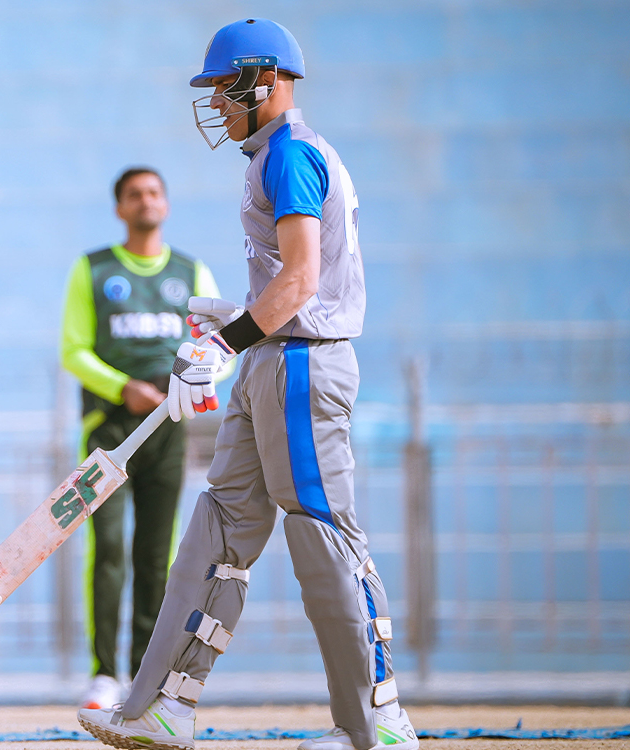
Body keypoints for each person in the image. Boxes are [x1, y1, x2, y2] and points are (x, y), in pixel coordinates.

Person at [77, 18, 419, 750]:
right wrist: (238, 322)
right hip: (276, 357)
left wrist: (229, 342)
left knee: (323, 534)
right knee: (222, 524)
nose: (218, 107)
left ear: (260, 80)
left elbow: (300, 279)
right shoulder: (273, 156)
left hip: (301, 362)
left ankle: (376, 724)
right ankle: (164, 705)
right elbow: (291, 281)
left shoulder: (291, 155)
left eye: (223, 92)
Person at [60, 167, 229, 710]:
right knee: (107, 547)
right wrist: (122, 387)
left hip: (166, 430)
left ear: (166, 204)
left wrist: (195, 382)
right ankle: (104, 672)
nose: (146, 201)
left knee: (156, 554)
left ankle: (144, 671)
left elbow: (221, 346)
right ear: (120, 208)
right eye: (135, 195)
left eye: (154, 192)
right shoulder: (93, 270)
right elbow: (73, 350)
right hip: (108, 432)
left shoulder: (190, 271)